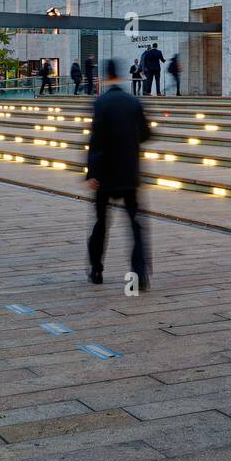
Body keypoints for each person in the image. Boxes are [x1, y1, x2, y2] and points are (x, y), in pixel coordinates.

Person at [85, 60, 152, 292]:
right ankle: (139, 275)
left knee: (101, 223)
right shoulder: (133, 102)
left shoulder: (100, 103)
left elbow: (95, 141)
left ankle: (96, 270)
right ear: (121, 76)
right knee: (135, 225)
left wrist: (92, 173)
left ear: (106, 77)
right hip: (128, 174)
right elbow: (146, 134)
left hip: (104, 175)